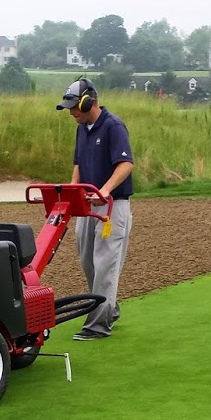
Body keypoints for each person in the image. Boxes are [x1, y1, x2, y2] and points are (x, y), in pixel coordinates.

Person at [55, 78, 133, 340]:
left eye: (74, 106)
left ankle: (98, 324)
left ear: (89, 101)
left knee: (105, 264)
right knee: (88, 262)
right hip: (86, 207)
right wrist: (72, 189)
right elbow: (78, 163)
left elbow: (125, 165)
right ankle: (108, 307)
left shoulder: (113, 127)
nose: (71, 112)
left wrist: (106, 190)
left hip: (111, 207)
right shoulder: (82, 129)